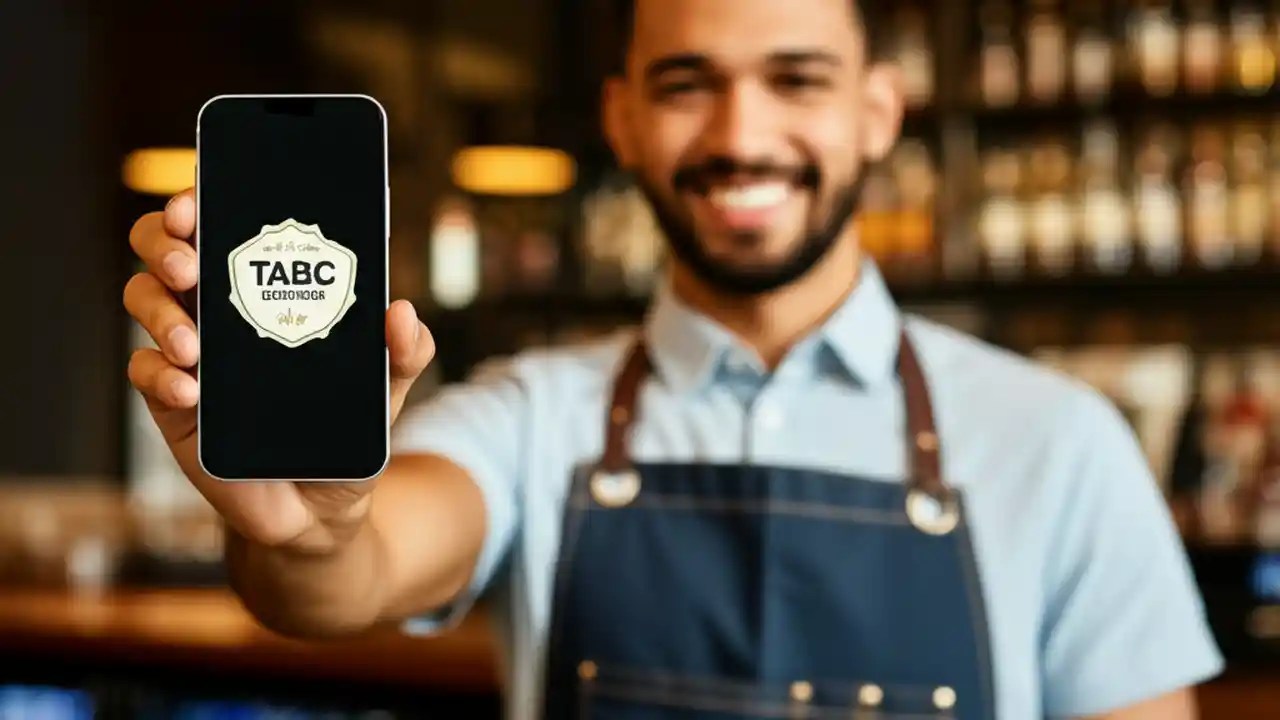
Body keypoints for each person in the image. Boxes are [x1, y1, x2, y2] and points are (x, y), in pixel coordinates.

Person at [123, 0, 1224, 717]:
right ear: (622, 118)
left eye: (795, 79)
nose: (740, 134)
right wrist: (309, 530)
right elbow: (342, 577)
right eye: (686, 82)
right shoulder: (529, 412)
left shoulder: (1062, 441)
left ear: (876, 113)